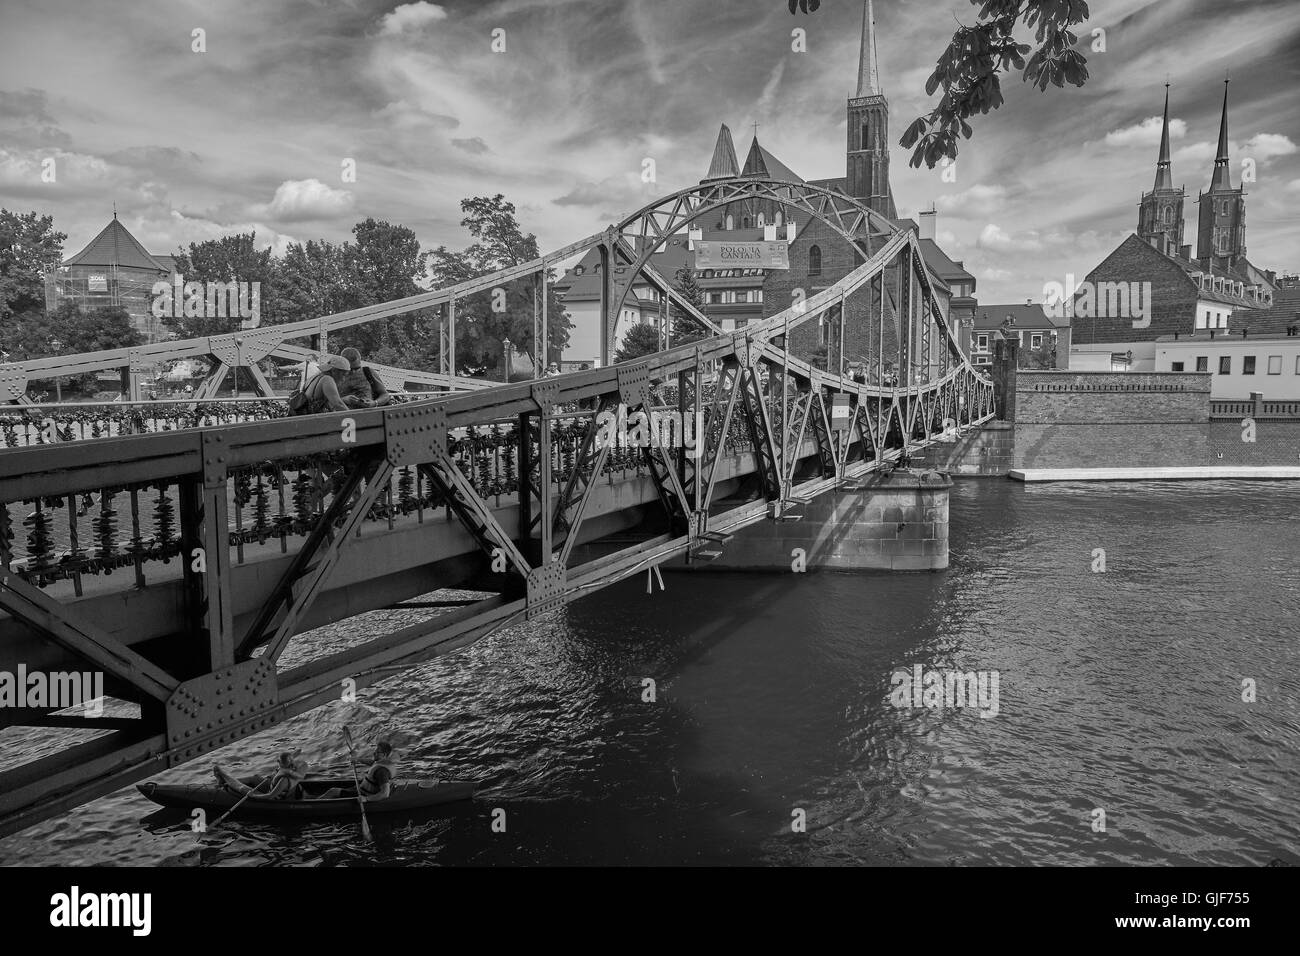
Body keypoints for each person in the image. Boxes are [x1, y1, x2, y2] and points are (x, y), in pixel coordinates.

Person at [318, 740, 397, 802]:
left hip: (365, 795)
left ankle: (315, 803)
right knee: (338, 788)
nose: (374, 753)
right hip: (361, 789)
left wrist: (366, 799)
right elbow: (371, 762)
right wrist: (357, 759)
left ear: (384, 755)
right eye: (375, 751)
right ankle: (317, 799)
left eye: (377, 752)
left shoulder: (382, 772)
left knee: (333, 791)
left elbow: (385, 793)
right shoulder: (380, 762)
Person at [213, 751, 306, 801]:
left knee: (242, 788)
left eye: (279, 762)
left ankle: (223, 775)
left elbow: (270, 796)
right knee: (255, 778)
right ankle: (223, 780)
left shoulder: (284, 780)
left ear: (282, 763)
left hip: (273, 799)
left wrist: (253, 795)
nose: (277, 762)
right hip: (274, 789)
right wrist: (274, 775)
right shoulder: (295, 769)